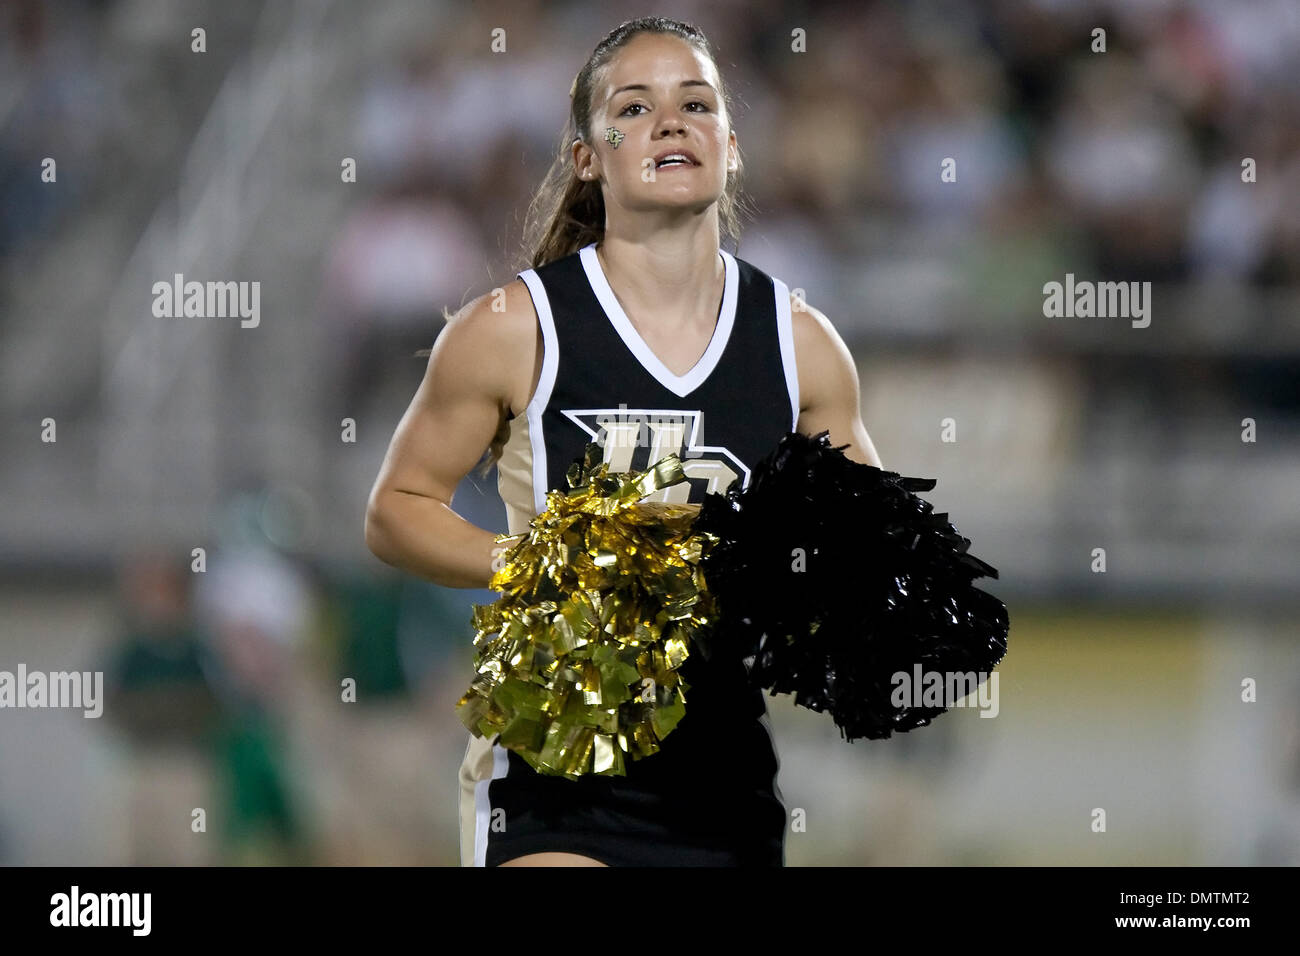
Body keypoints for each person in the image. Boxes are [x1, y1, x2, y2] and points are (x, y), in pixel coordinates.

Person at [365, 16, 881, 867]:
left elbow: (863, 556)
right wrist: (539, 564)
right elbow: (395, 511)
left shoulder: (802, 344)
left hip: (723, 779)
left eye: (697, 103)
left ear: (732, 144)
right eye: (634, 108)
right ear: (586, 156)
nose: (671, 122)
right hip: (553, 765)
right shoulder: (513, 327)